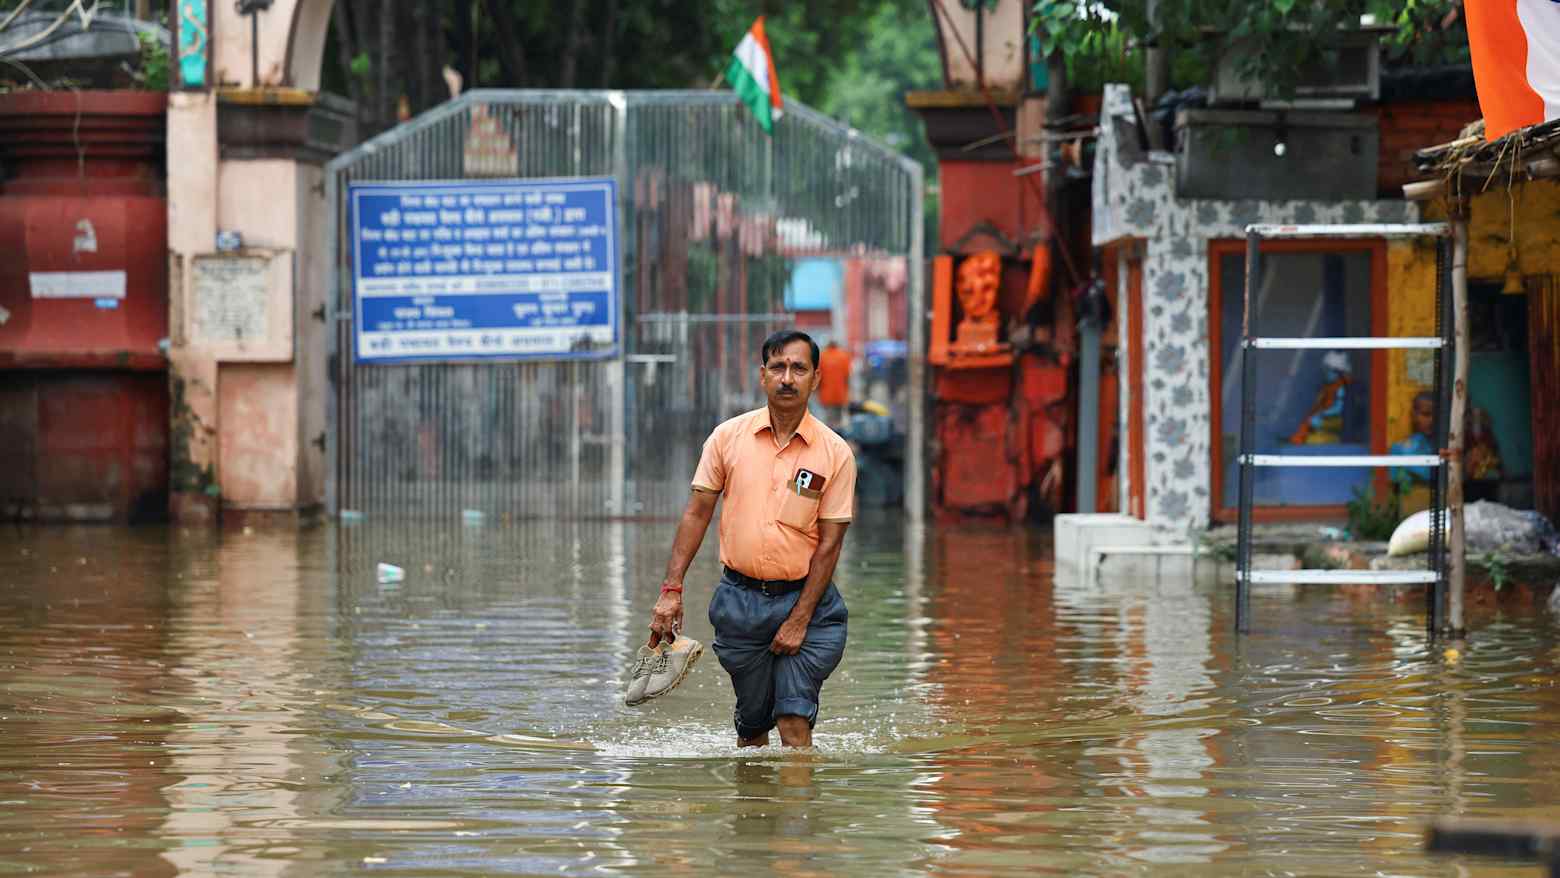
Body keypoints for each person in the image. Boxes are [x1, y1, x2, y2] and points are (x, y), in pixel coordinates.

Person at [642, 329, 857, 748]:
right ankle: (755, 792)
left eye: (799, 369)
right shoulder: (727, 438)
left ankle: (798, 793)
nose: (787, 378)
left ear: (816, 378)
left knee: (793, 719)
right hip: (739, 604)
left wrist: (799, 619)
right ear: (763, 376)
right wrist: (671, 591)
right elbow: (697, 513)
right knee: (753, 728)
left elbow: (830, 544)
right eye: (778, 367)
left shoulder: (835, 453)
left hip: (809, 605)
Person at [1289, 350, 1352, 445]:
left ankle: (1300, 441)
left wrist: (1321, 414)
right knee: (1305, 424)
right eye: (1326, 370)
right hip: (1323, 418)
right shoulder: (1328, 386)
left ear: (1338, 372)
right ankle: (1297, 441)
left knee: (1309, 425)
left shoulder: (1340, 387)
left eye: (1329, 371)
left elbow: (1339, 407)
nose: (1326, 373)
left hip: (1333, 419)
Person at [1390, 391, 1436, 515]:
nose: (1431, 420)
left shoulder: (1443, 447)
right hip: (1412, 511)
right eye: (1426, 414)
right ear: (1414, 415)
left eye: (1435, 415)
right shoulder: (1399, 449)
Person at [816, 340, 852, 428]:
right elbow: (847, 376)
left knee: (828, 418)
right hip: (840, 393)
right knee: (838, 417)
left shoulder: (822, 356)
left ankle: (829, 431)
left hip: (826, 393)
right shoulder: (844, 356)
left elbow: (818, 376)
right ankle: (838, 430)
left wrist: (816, 390)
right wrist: (848, 390)